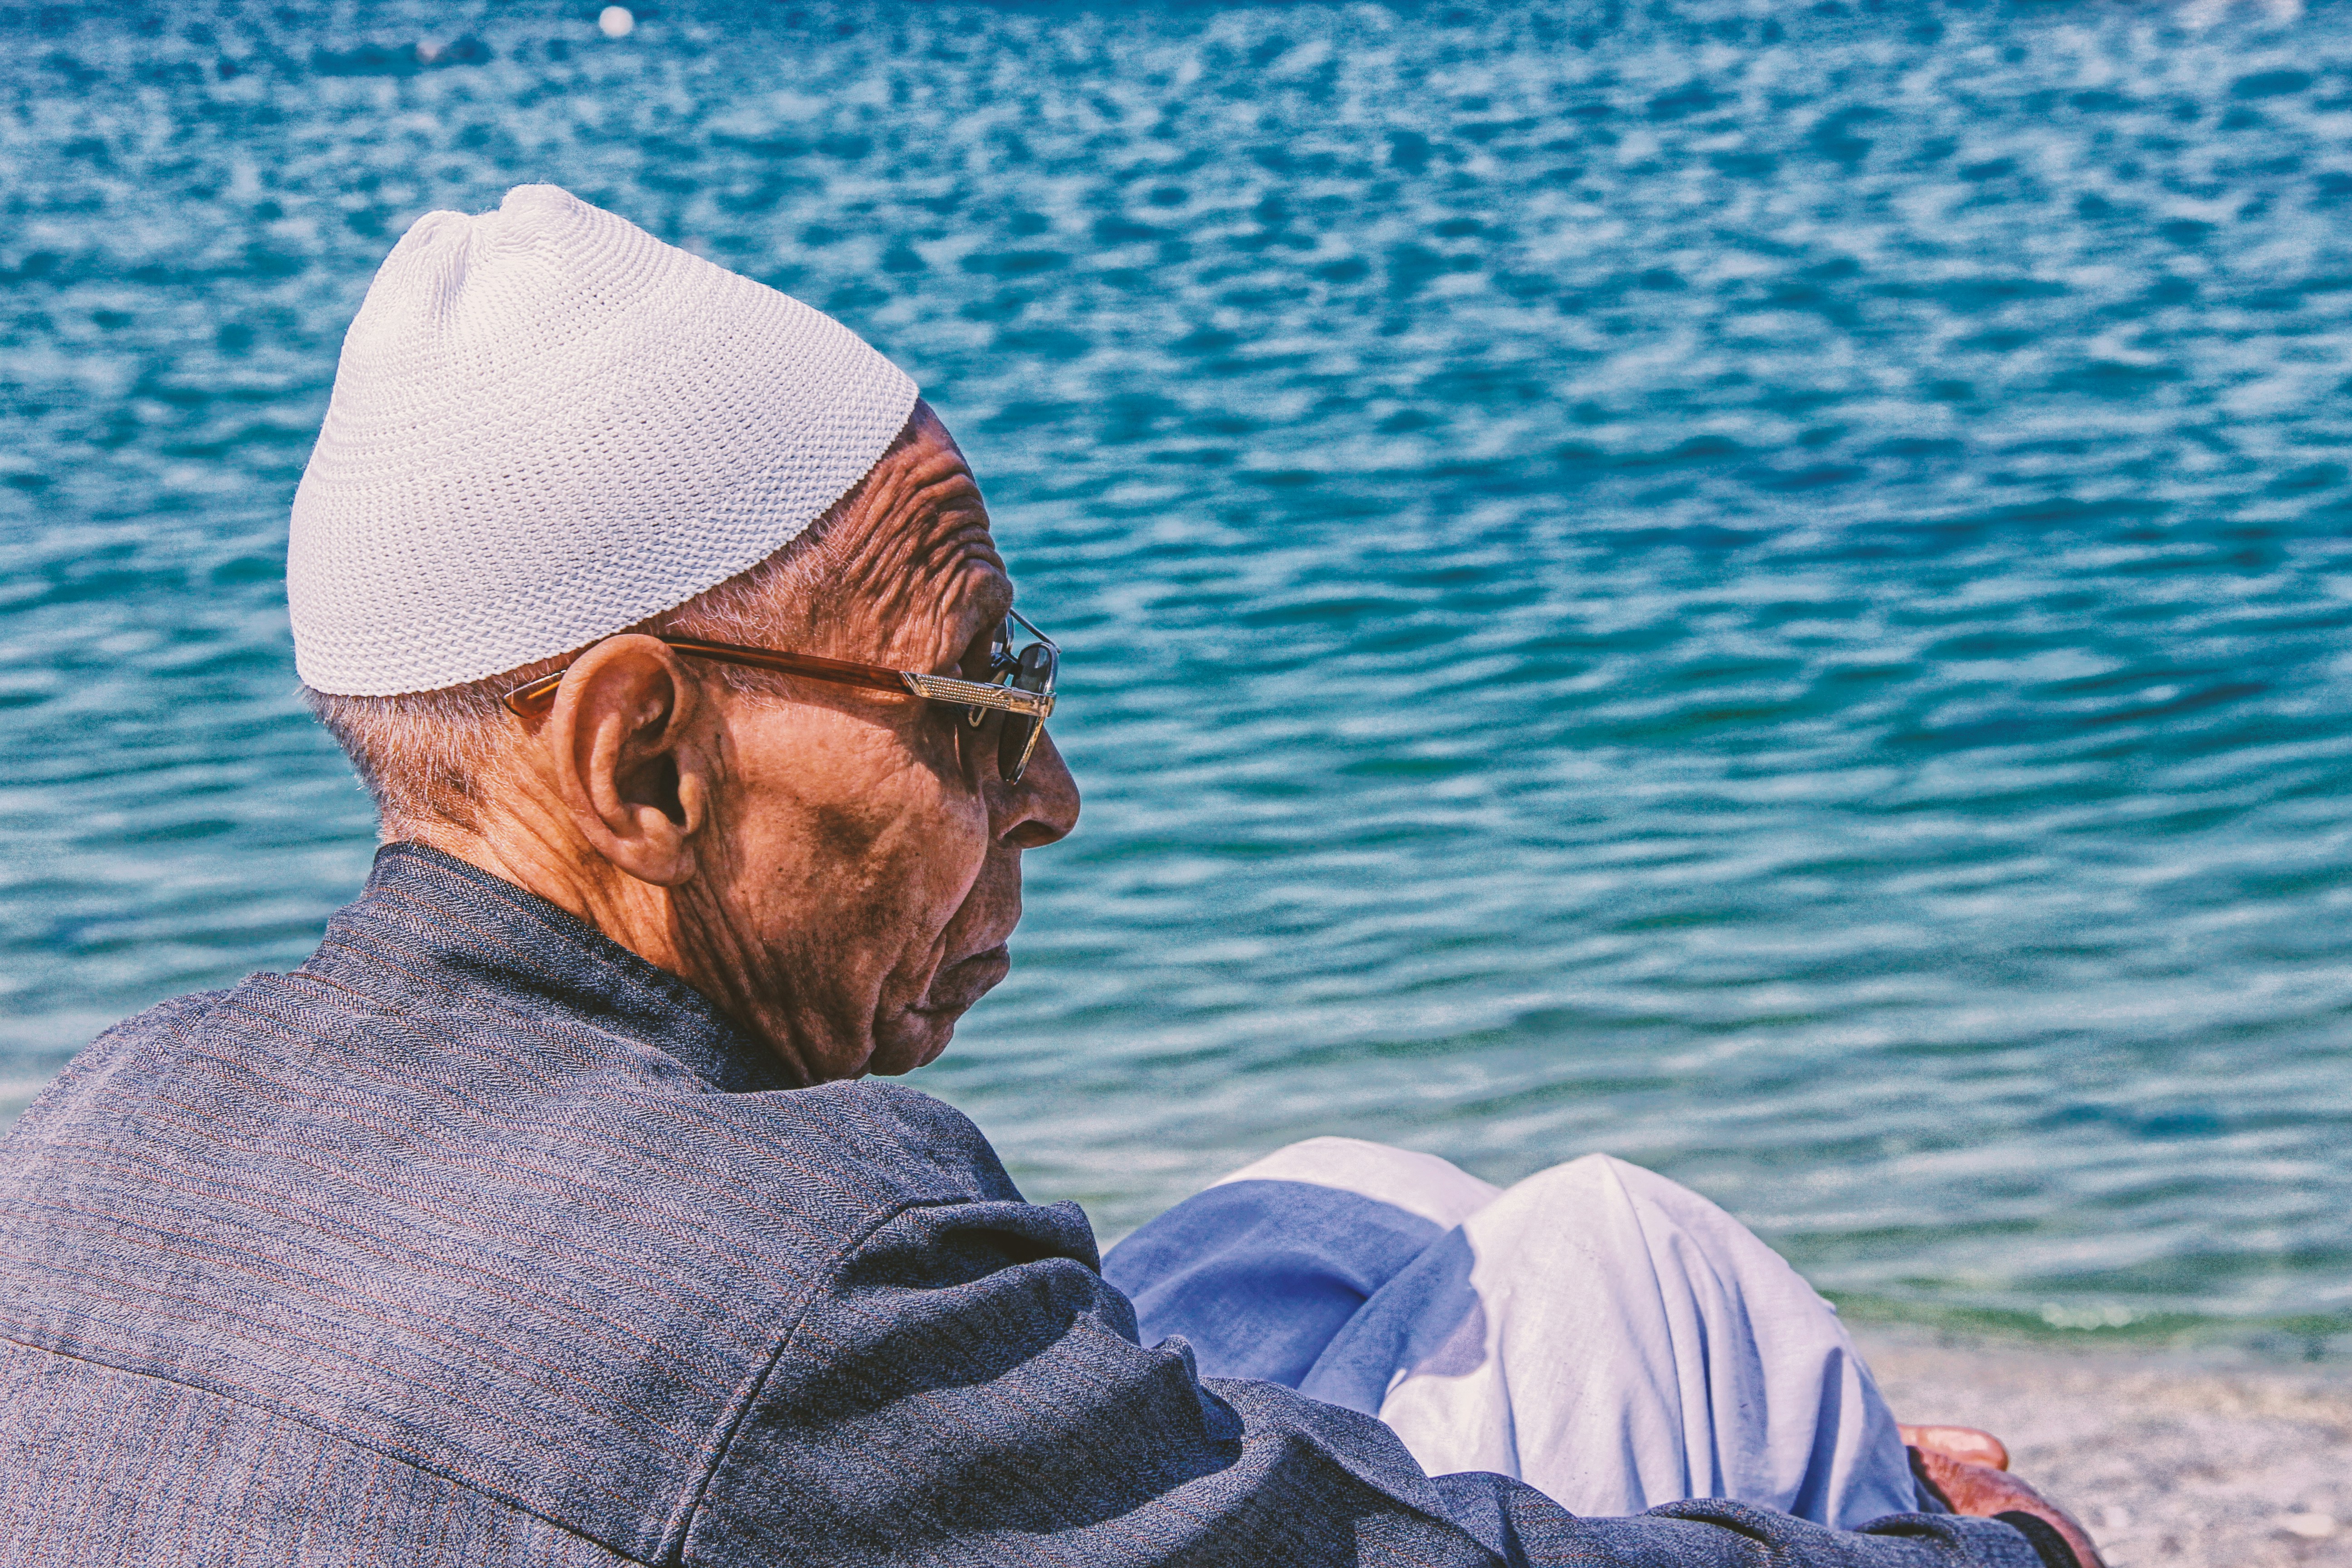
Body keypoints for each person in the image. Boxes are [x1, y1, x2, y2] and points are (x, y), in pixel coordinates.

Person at [0, 185, 2098, 1568]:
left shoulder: (103, 1124)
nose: (1056, 794)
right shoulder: (807, 1281)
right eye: (978, 706)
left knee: (1337, 1221)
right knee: (1633, 1268)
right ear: (644, 750)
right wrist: (1982, 1549)